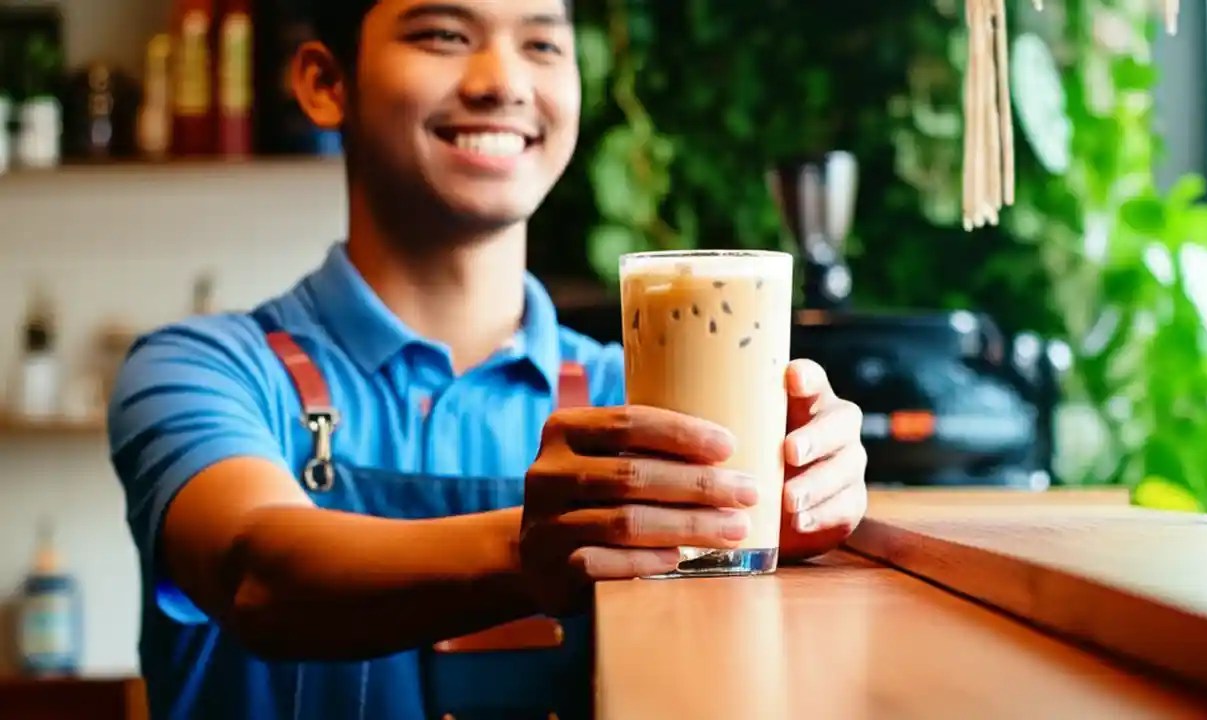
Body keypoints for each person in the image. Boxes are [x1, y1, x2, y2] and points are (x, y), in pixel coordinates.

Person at [107, 0, 869, 718]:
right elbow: (257, 576)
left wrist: (792, 501)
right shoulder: (203, 370)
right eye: (444, 35)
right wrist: (530, 549)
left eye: (541, 44)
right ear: (324, 84)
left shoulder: (635, 395)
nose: (502, 82)